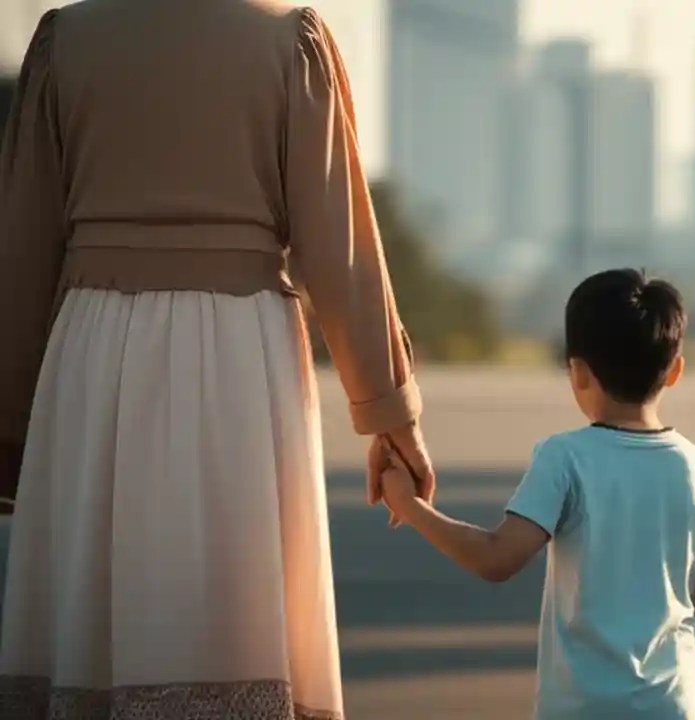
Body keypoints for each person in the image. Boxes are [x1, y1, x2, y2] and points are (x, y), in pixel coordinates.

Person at [0, 3, 433, 718]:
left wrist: (12, 426)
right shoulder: (287, 38)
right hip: (240, 350)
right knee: (235, 612)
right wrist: (389, 411)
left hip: (93, 343)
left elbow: (22, 245)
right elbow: (339, 244)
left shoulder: (66, 40)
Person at [378, 269, 695, 720]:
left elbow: (496, 559)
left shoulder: (565, 458)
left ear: (578, 373)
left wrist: (410, 506)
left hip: (582, 708)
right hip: (676, 706)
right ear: (675, 370)